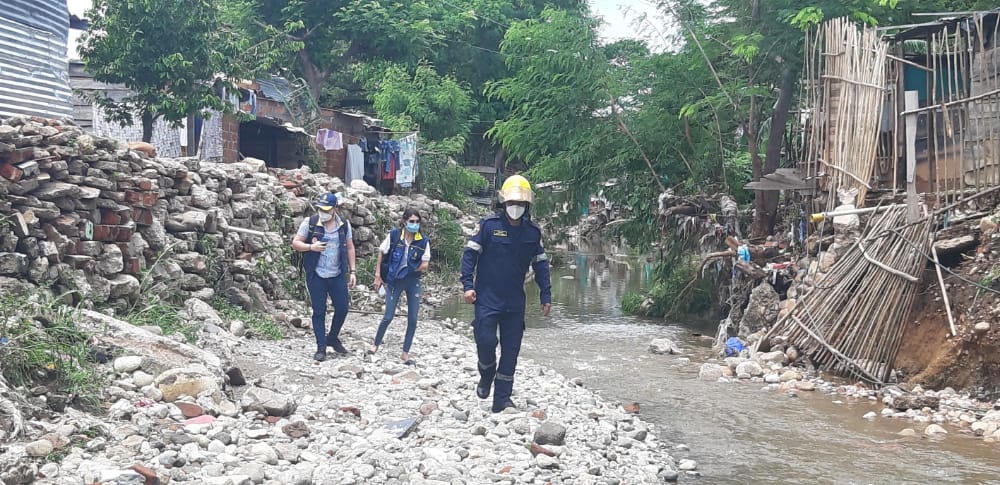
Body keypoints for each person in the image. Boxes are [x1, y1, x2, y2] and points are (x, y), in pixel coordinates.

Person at [461, 174, 552, 413]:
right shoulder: (489, 227)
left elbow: (540, 264)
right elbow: (470, 255)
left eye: (520, 204)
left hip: (514, 302)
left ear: (527, 206)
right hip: (486, 299)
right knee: (485, 341)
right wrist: (467, 285)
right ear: (503, 203)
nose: (516, 208)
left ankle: (501, 399)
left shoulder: (532, 233)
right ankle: (486, 372)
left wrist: (546, 295)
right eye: (512, 203)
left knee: (511, 351)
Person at [291, 193, 357, 361]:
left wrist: (353, 271)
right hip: (316, 275)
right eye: (320, 209)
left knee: (342, 308)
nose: (323, 212)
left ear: (335, 209)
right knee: (319, 311)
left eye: (327, 210)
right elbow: (296, 243)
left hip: (337, 274)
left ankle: (332, 338)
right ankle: (321, 347)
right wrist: (311, 247)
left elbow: (350, 248)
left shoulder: (343, 225)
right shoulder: (310, 223)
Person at [372, 208, 430, 364]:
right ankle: (375, 345)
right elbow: (381, 252)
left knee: (412, 319)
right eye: (411, 221)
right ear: (404, 222)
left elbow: (425, 264)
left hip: (412, 280)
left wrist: (410, 269)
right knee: (388, 316)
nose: (414, 224)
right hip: (394, 280)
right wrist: (378, 275)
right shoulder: (395, 235)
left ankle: (405, 353)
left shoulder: (423, 240)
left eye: (417, 222)